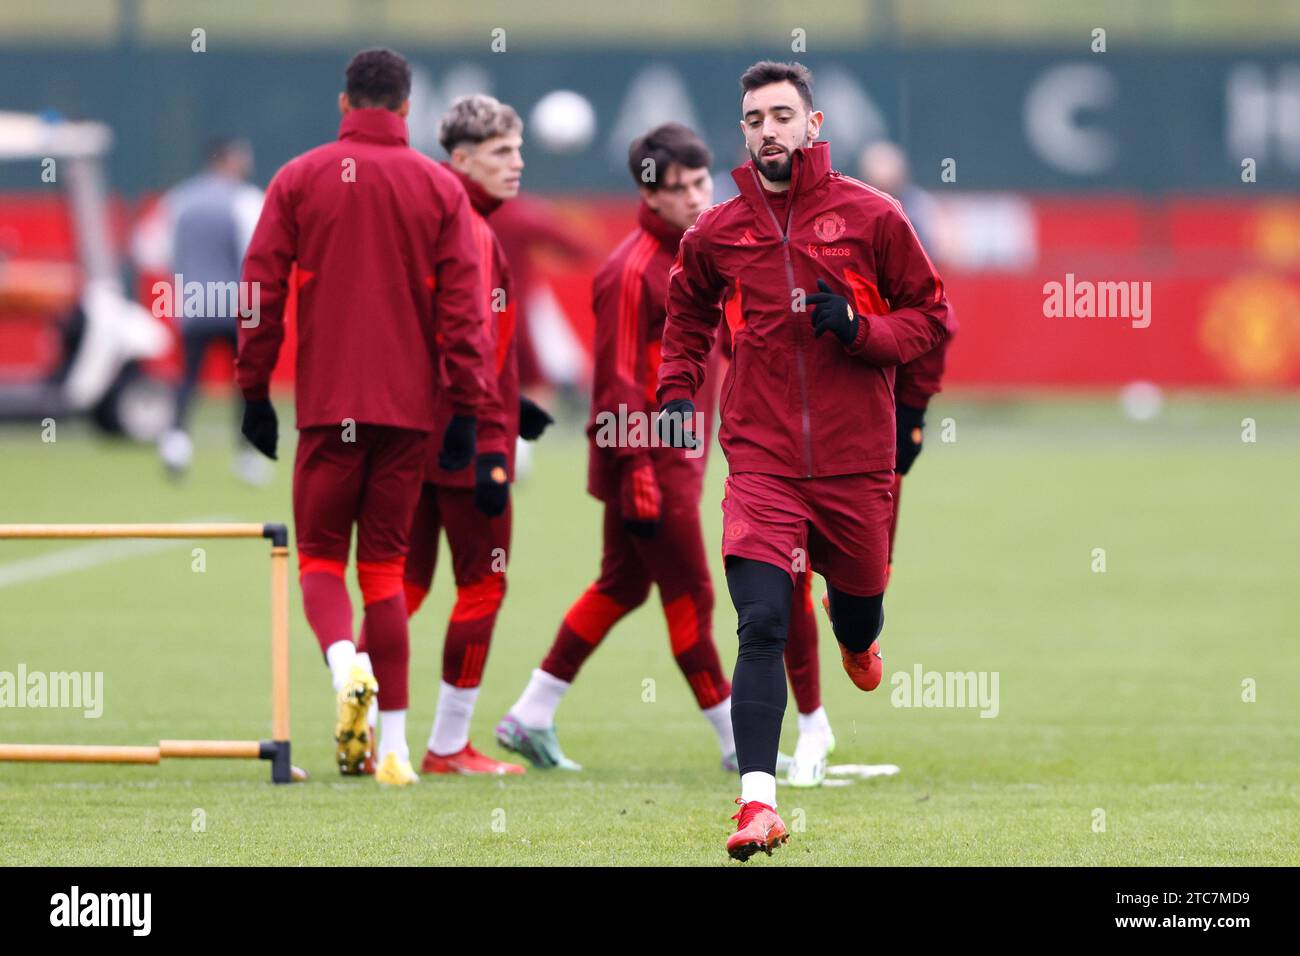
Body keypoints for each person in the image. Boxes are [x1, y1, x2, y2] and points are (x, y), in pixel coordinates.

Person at [655, 61, 952, 859]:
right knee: (760, 621)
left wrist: (860, 330)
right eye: (755, 120)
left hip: (857, 464)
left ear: (813, 125)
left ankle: (857, 637)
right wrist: (676, 393)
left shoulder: (874, 215)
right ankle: (758, 803)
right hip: (762, 461)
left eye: (783, 116)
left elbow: (931, 316)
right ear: (743, 132)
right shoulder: (715, 232)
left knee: (856, 613)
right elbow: (686, 315)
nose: (769, 131)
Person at [235, 48, 491, 787]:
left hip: (327, 408)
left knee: (320, 561)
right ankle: (396, 750)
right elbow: (466, 309)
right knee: (384, 571)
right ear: (407, 108)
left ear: (344, 104)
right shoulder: (440, 187)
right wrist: (467, 406)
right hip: (408, 414)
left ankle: (346, 664)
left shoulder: (299, 177)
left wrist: (254, 390)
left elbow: (259, 288)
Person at [495, 123, 742, 772]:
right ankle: (739, 743)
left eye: (701, 182)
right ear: (649, 192)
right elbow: (617, 386)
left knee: (621, 586)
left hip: (674, 459)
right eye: (680, 187)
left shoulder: (698, 255)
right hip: (653, 464)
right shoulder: (630, 272)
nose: (696, 196)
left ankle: (530, 714)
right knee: (691, 597)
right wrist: (636, 471)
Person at [359, 94, 553, 777]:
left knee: (404, 583)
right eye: (502, 152)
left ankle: (360, 727)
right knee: (483, 585)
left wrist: (511, 401)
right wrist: (492, 436)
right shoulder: (469, 228)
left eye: (519, 149)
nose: (517, 163)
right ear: (462, 160)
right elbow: (469, 345)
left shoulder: (429, 218)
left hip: (410, 432)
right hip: (464, 440)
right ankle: (447, 745)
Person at [782, 141, 959, 790]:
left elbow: (936, 323)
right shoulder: (788, 238)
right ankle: (805, 723)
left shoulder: (891, 226)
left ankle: (857, 631)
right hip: (783, 441)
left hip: (871, 429)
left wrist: (913, 411)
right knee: (777, 580)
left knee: (868, 573)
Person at [148, 137, 267, 483]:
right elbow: (257, 251)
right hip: (235, 303)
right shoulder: (245, 199)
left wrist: (185, 277)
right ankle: (247, 455)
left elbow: (152, 249)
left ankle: (176, 444)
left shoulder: (179, 199)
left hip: (195, 302)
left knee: (189, 377)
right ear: (228, 160)